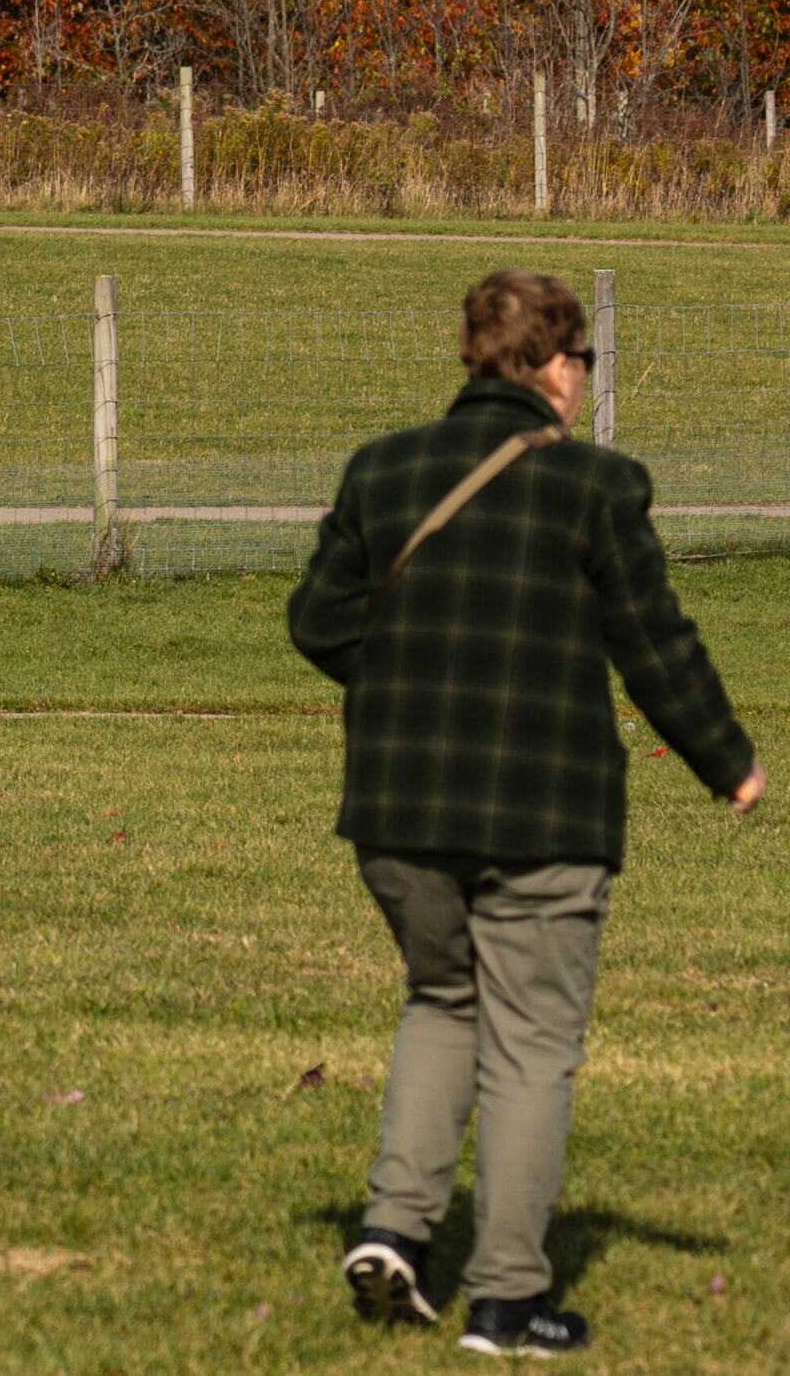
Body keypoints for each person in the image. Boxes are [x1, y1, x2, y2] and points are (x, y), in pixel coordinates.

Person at [289, 267, 762, 1356]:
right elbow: (654, 643)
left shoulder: (383, 469)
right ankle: (504, 1298)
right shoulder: (595, 488)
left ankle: (395, 1231)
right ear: (552, 366)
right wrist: (727, 761)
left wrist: (402, 677)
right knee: (532, 1046)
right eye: (582, 360)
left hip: (396, 804)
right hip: (546, 812)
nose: (583, 380)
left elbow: (317, 620)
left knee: (439, 1001)